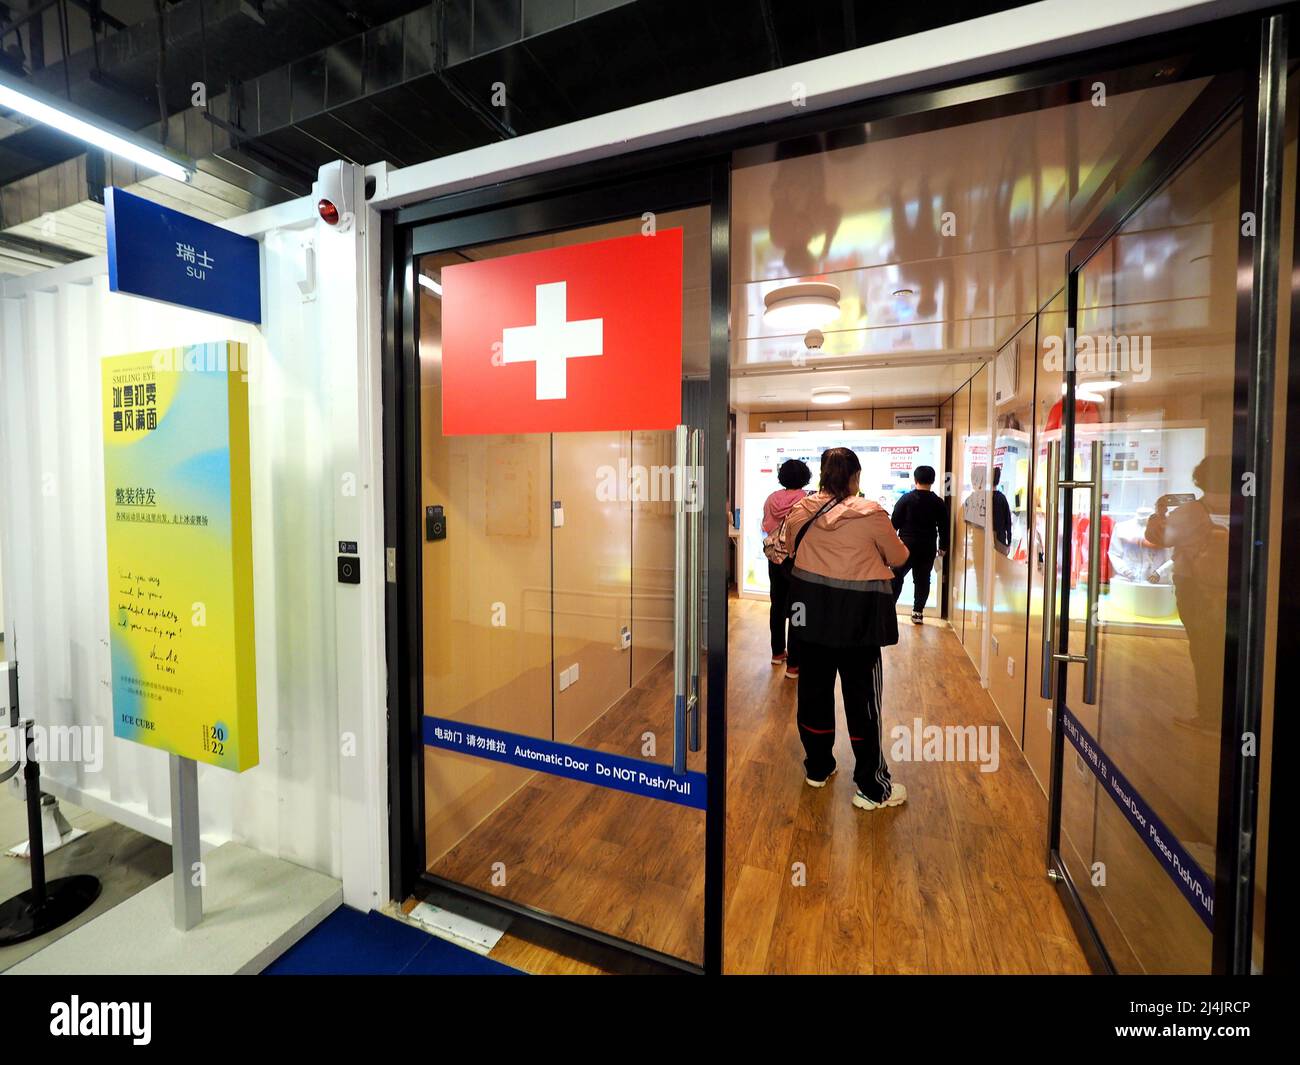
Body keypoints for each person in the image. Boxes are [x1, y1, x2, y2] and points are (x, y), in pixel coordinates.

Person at [782, 447, 910, 810]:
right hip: (858, 621)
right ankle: (871, 787)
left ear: (822, 474)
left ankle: (818, 767)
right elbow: (900, 557)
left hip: (808, 615)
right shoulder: (871, 514)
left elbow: (789, 547)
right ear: (855, 477)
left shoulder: (802, 510)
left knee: (813, 692)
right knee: (863, 700)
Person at [1144, 456, 1231, 733]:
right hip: (1236, 589)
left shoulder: (1192, 512)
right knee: (1230, 651)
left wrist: (1158, 513)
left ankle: (1209, 715)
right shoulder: (1250, 506)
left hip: (1198, 589)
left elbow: (1159, 538)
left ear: (1201, 479)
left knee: (1204, 651)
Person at [762, 458, 811, 678]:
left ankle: (777, 652)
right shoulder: (807, 500)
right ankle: (795, 663)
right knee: (798, 608)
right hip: (798, 560)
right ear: (805, 477)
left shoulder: (771, 498)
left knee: (777, 605)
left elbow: (765, 524)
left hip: (775, 558)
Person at [890, 465, 949, 624]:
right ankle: (917, 613)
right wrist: (943, 547)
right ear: (933, 481)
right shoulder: (938, 502)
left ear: (915, 480)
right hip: (927, 546)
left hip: (905, 545)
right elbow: (944, 526)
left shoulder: (906, 499)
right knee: (923, 579)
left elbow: (894, 523)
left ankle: (889, 608)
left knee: (896, 576)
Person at [991, 466, 1013, 556]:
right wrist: (1009, 540)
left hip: (986, 538)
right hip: (1000, 538)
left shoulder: (984, 498)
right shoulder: (1002, 498)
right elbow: (1008, 522)